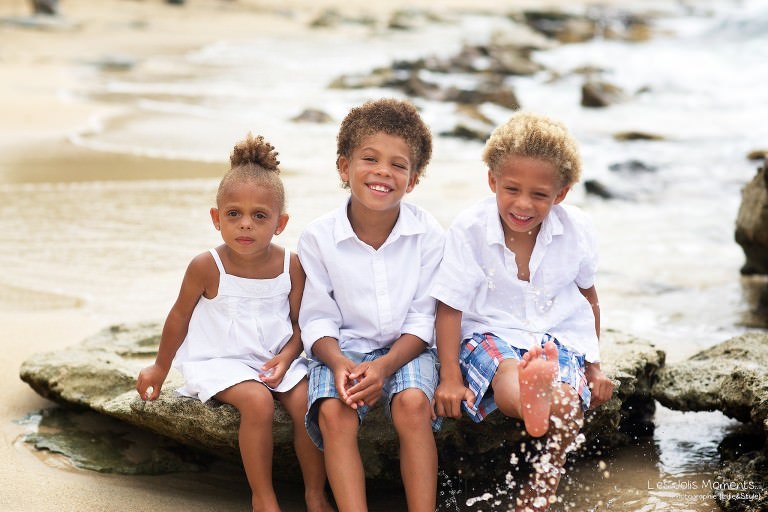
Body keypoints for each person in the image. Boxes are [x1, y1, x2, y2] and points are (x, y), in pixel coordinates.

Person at [135, 134, 333, 512]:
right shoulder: (206, 266)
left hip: (275, 359)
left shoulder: (291, 265)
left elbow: (300, 324)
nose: (246, 225)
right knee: (257, 402)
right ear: (216, 218)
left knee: (308, 400)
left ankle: (315, 493)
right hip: (221, 361)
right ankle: (263, 496)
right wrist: (161, 366)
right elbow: (179, 316)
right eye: (234, 214)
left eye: (260, 216)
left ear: (280, 222)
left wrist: (288, 357)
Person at [431, 111, 615, 511]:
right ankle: (533, 402)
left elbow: (588, 297)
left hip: (555, 335)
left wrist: (594, 366)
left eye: (539, 194)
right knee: (507, 373)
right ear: (492, 181)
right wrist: (448, 376)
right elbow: (449, 307)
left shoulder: (577, 229)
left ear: (561, 194)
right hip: (490, 331)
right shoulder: (472, 228)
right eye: (512, 189)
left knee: (569, 401)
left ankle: (543, 478)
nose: (523, 204)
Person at [298, 98, 443, 512]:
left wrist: (384, 368)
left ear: (413, 180)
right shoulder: (318, 238)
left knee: (413, 404)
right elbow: (316, 318)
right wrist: (342, 364)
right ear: (344, 168)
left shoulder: (428, 234)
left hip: (407, 348)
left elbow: (424, 317)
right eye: (370, 158)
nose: (383, 171)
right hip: (342, 349)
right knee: (333, 411)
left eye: (399, 165)